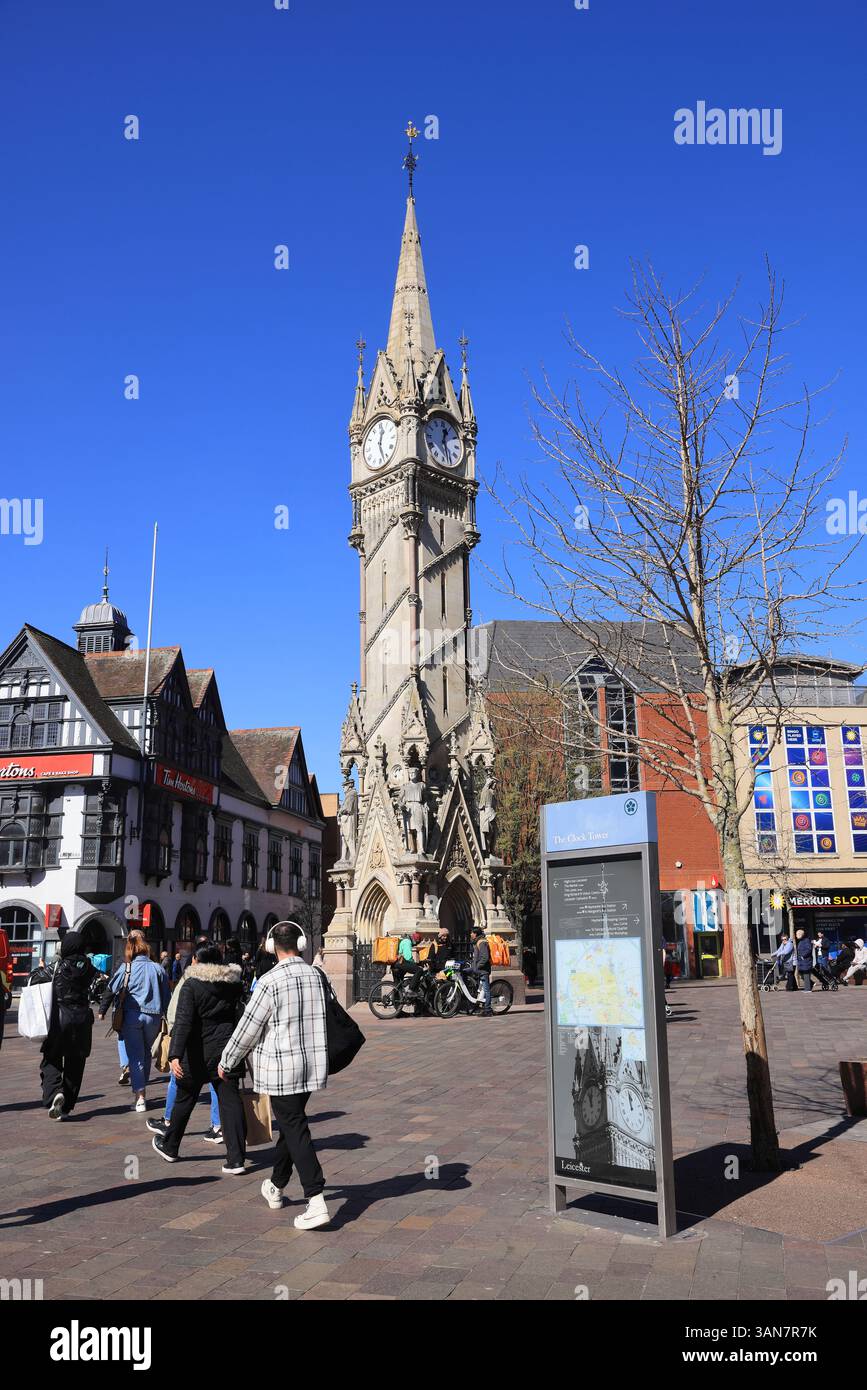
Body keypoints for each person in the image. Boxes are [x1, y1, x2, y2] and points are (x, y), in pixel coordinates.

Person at [219, 921, 330, 1230]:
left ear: (271, 946)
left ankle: (316, 1197)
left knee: (295, 1126)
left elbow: (248, 1028)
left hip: (282, 1068)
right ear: (302, 944)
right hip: (312, 1065)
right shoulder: (318, 976)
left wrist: (227, 1061)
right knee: (292, 1125)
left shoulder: (269, 980)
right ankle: (276, 1185)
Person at [151, 944, 246, 1174]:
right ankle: (236, 1159)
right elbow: (239, 1016)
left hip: (196, 1053)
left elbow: (183, 1022)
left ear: (196, 960)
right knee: (230, 1102)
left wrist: (174, 1054)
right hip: (226, 1051)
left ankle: (171, 1146)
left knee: (185, 1099)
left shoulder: (191, 985)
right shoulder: (233, 984)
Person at [146, 946, 223, 1145]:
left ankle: (169, 1125)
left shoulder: (190, 980)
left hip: (192, 1044)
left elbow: (177, 1016)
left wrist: (174, 1051)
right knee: (217, 1084)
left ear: (197, 959)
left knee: (180, 1084)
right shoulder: (227, 982)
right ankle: (219, 1127)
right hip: (219, 1045)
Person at [31, 932, 106, 1119]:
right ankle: (66, 1107)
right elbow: (102, 988)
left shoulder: (57, 966)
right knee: (76, 1063)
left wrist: (41, 967)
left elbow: (33, 979)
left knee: (51, 1058)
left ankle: (54, 1092)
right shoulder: (90, 968)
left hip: (59, 1020)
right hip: (82, 1022)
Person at [99, 932, 169, 1112]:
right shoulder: (158, 968)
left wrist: (103, 1010)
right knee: (146, 1053)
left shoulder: (126, 968)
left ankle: (140, 1096)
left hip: (132, 1016)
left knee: (136, 1055)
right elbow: (167, 998)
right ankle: (141, 1090)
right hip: (153, 1017)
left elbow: (112, 988)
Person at [469, 925, 492, 1016]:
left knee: (486, 990)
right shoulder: (477, 941)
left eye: (471, 933)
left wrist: (477, 966)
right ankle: (479, 1006)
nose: (470, 934)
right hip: (479, 970)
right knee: (481, 990)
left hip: (483, 970)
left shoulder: (482, 942)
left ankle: (488, 1010)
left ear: (475, 934)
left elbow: (485, 957)